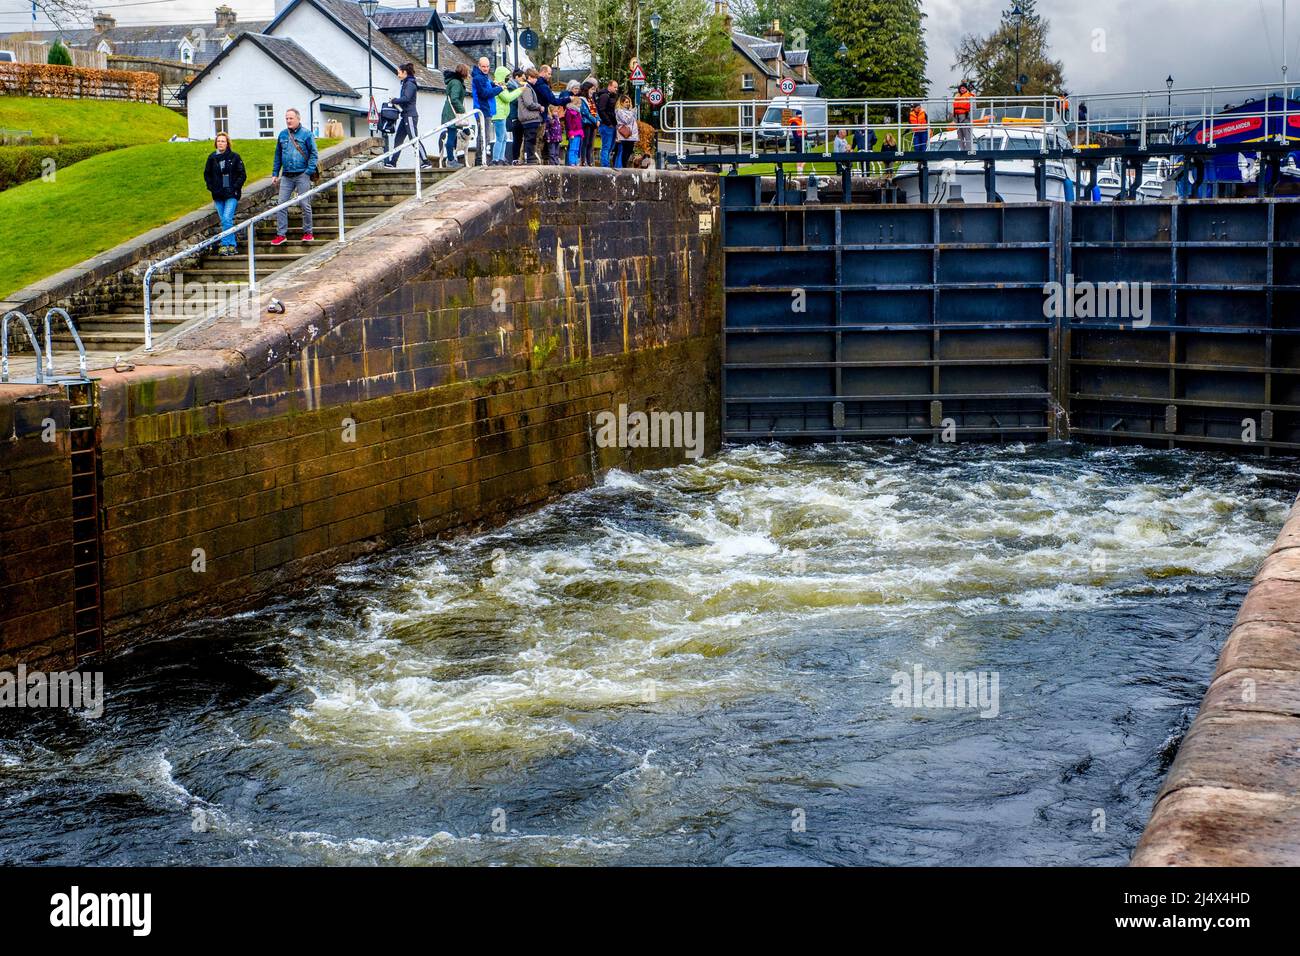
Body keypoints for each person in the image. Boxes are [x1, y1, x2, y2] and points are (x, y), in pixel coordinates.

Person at [271, 107, 316, 246]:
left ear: (298, 118)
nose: (288, 121)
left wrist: (308, 171)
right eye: (286, 118)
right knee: (281, 205)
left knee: (304, 204)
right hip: (286, 176)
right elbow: (278, 155)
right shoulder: (283, 135)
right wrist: (275, 173)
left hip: (302, 174)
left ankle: (308, 232)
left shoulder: (307, 134)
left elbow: (314, 154)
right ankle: (281, 234)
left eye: (291, 118)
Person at [203, 132, 246, 256]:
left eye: (223, 141)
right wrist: (211, 187)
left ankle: (224, 244)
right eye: (219, 141)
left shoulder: (235, 157)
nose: (220, 143)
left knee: (227, 218)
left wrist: (235, 187)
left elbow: (242, 175)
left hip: (231, 193)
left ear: (227, 143)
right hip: (218, 194)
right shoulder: (212, 158)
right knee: (225, 220)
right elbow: (207, 175)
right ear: (215, 143)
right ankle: (232, 245)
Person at [385, 62, 431, 169]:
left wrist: (395, 100)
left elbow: (406, 98)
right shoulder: (406, 83)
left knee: (414, 139)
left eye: (399, 73)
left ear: (404, 72)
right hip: (405, 116)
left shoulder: (410, 84)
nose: (398, 75)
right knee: (398, 139)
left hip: (410, 116)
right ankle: (393, 162)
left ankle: (426, 161)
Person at [471, 56, 503, 165]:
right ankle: (480, 160)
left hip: (486, 110)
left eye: (487, 66)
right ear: (479, 66)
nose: (485, 68)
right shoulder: (478, 78)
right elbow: (484, 93)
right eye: (483, 66)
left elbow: (487, 85)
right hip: (482, 110)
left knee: (486, 137)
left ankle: (481, 159)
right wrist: (499, 89)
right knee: (483, 136)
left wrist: (494, 84)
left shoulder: (483, 77)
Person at [439, 63, 470, 167]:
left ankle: (451, 159)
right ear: (464, 72)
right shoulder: (456, 83)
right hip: (452, 114)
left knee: (452, 136)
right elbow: (454, 99)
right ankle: (451, 161)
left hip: (449, 112)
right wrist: (462, 111)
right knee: (451, 137)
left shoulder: (454, 81)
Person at [491, 65, 523, 165]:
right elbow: (508, 98)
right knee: (500, 138)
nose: (508, 78)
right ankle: (496, 159)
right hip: (498, 116)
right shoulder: (498, 87)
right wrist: (519, 90)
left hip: (502, 115)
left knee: (504, 138)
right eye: (507, 76)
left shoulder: (501, 85)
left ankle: (501, 158)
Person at [516, 68, 544, 164]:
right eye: (535, 77)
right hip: (529, 118)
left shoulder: (527, 87)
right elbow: (529, 104)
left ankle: (528, 158)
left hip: (528, 118)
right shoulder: (527, 88)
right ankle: (530, 159)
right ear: (529, 77)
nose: (536, 80)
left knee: (529, 139)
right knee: (530, 139)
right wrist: (539, 107)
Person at [596, 78, 619, 167]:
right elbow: (601, 110)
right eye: (615, 87)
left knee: (610, 146)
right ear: (609, 86)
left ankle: (606, 163)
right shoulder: (604, 96)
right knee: (606, 146)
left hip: (612, 125)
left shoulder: (611, 96)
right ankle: (605, 165)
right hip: (606, 125)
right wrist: (608, 122)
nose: (616, 89)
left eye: (617, 88)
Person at [506, 69, 527, 164]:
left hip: (519, 116)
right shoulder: (511, 87)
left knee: (519, 139)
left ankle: (518, 157)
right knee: (517, 139)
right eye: (522, 78)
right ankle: (515, 158)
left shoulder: (516, 87)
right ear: (517, 77)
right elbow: (514, 100)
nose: (523, 81)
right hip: (515, 116)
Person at [615, 94, 637, 169]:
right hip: (625, 134)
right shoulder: (620, 111)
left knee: (630, 150)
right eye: (626, 102)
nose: (628, 104)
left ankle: (625, 165)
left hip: (632, 135)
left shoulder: (629, 111)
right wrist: (632, 113)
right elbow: (626, 121)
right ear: (622, 103)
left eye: (629, 102)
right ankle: (624, 166)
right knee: (625, 151)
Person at [579, 80, 599, 165]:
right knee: (585, 142)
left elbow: (595, 111)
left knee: (590, 144)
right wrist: (595, 120)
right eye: (591, 89)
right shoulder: (582, 100)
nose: (593, 92)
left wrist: (598, 120)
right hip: (586, 123)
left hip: (593, 124)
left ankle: (589, 161)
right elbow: (585, 112)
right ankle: (583, 160)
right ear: (586, 90)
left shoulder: (591, 100)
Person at [564, 88, 585, 166]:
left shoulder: (578, 112)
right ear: (575, 103)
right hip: (573, 132)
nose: (580, 105)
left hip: (579, 132)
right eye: (579, 104)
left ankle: (576, 161)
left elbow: (580, 123)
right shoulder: (569, 111)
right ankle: (572, 162)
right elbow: (568, 123)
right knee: (572, 148)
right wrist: (570, 133)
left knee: (577, 148)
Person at [954, 81, 974, 152]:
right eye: (961, 88)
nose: (962, 89)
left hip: (965, 117)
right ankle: (962, 150)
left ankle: (968, 150)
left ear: (966, 89)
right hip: (957, 117)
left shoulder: (969, 95)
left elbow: (973, 99)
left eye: (963, 88)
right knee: (960, 135)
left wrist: (971, 89)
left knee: (967, 135)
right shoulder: (957, 96)